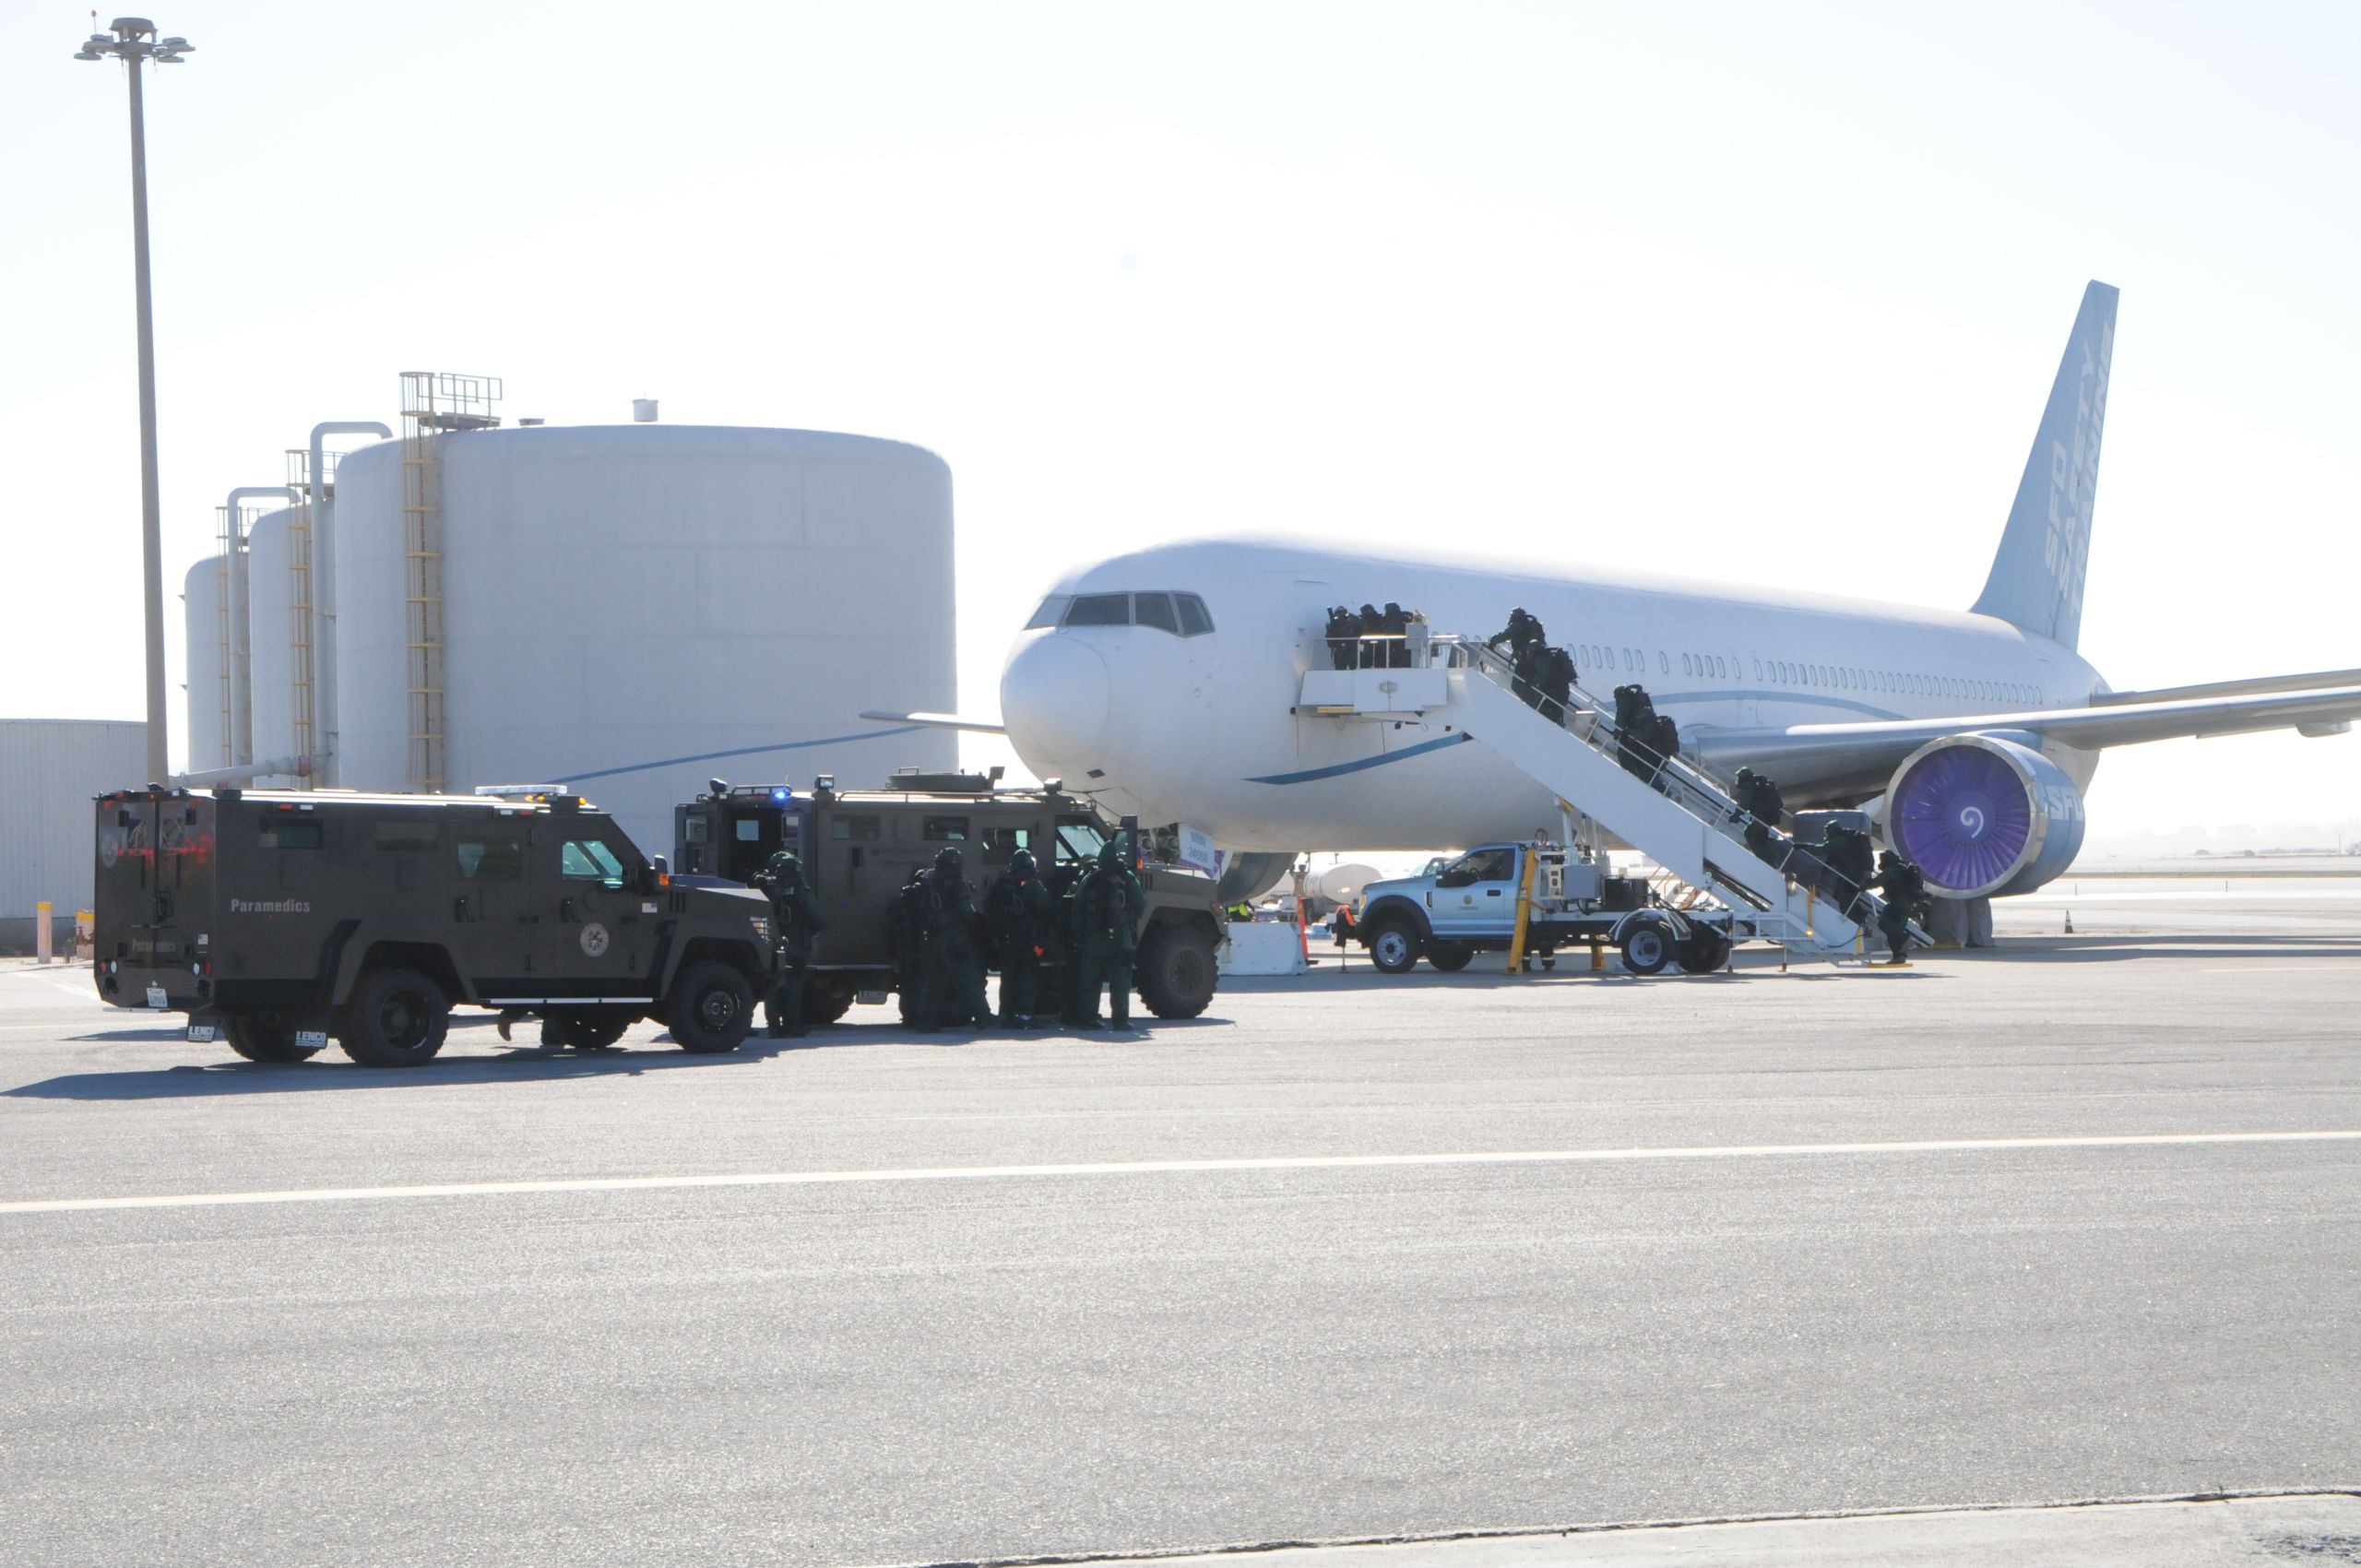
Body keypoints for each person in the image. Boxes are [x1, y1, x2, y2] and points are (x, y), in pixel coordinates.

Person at [1068, 838, 1146, 1031]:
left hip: (1094, 937)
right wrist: (1129, 920)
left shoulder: (1090, 879)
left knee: (1090, 981)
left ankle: (1089, 1019)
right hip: (1121, 936)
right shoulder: (1126, 877)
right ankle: (1120, 1021)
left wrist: (1078, 937)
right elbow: (1141, 902)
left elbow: (1077, 909)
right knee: (1121, 982)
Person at [750, 849, 826, 1038]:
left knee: (772, 986)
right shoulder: (799, 887)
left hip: (768, 943)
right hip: (796, 944)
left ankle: (773, 1026)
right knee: (794, 984)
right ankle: (791, 1025)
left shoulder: (764, 886)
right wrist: (811, 931)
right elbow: (818, 917)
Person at [917, 846, 994, 1031]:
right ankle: (983, 1016)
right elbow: (966, 911)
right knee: (968, 976)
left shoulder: (927, 880)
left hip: (929, 938)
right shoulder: (956, 883)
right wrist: (980, 923)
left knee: (932, 981)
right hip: (951, 937)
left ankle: (926, 1021)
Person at [984, 847, 1056, 1028]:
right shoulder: (1032, 885)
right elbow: (1046, 908)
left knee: (1008, 978)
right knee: (1027, 976)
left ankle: (1006, 1014)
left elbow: (989, 908)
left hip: (1005, 940)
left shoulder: (1002, 885)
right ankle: (1025, 1015)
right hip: (1029, 941)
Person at [885, 871, 931, 1025]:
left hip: (905, 950)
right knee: (921, 984)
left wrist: (895, 955)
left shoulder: (901, 901)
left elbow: (892, 932)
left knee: (908, 985)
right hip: (919, 949)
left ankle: (909, 1017)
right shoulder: (924, 901)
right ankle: (921, 1017)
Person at [1870, 849, 1929, 965]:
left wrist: (1865, 884)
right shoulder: (1900, 869)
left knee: (1884, 924)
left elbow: (1876, 883)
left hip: (1898, 903)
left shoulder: (1890, 870)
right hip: (1907, 903)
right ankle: (1899, 956)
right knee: (1894, 929)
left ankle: (1905, 939)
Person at [1731, 766, 1786, 861]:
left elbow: (1744, 805)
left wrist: (1736, 815)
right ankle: (1770, 853)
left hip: (1762, 816)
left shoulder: (1747, 787)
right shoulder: (1760, 784)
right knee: (1761, 836)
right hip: (1770, 815)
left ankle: (1765, 858)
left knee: (1750, 832)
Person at [1537, 646, 1575, 722]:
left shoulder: (1546, 662)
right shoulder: (1559, 664)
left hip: (1553, 693)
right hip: (1561, 693)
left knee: (1546, 711)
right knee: (1557, 711)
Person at [1324, 605, 1359, 671]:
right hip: (1341, 650)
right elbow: (1330, 638)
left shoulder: (1352, 622)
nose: (1341, 615)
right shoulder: (1334, 624)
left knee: (1352, 669)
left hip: (1350, 649)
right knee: (1341, 669)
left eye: (1343, 613)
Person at [1356, 603, 1383, 668]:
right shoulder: (1379, 618)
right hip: (1370, 643)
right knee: (1369, 658)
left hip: (1373, 642)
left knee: (1374, 658)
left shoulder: (1362, 620)